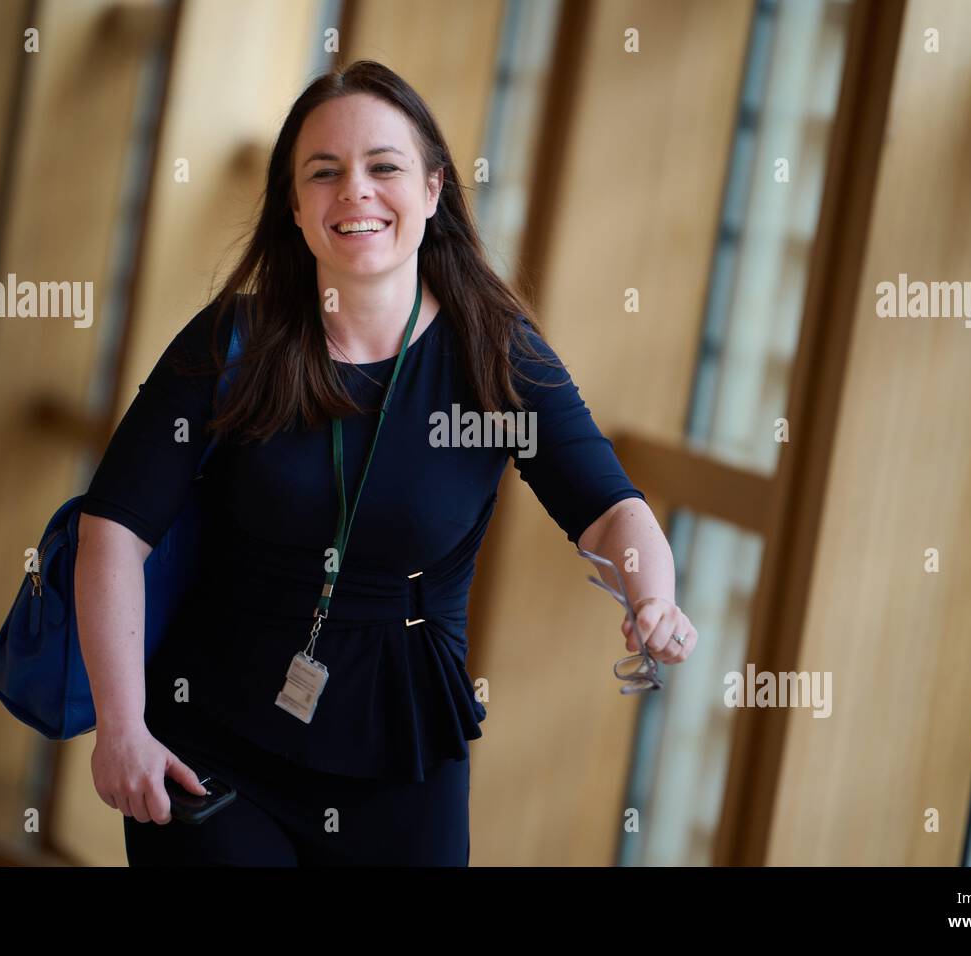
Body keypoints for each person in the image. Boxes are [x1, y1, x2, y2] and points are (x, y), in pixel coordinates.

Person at [73, 59, 697, 867]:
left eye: (385, 168)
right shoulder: (235, 341)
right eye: (324, 173)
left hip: (404, 750)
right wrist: (122, 729)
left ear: (434, 190)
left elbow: (611, 508)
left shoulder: (494, 356)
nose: (355, 192)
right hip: (211, 744)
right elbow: (114, 528)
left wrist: (654, 596)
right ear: (294, 207)